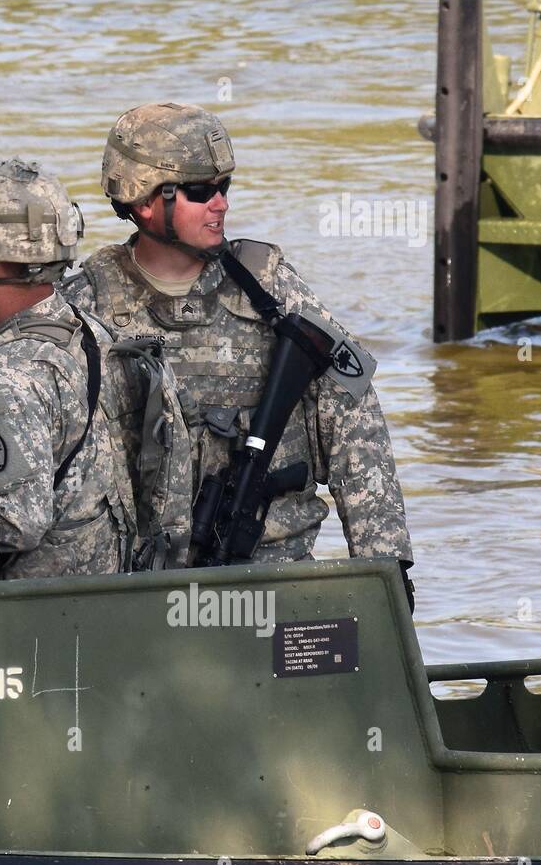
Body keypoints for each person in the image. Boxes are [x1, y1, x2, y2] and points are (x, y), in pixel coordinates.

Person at [62, 103, 414, 592]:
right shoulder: (86, 307)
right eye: (200, 191)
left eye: (223, 187)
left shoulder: (269, 288)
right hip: (138, 590)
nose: (220, 204)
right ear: (144, 201)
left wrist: (387, 567)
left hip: (274, 574)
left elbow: (355, 424)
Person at [0, 158, 188, 579]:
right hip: (112, 592)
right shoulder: (93, 335)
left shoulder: (5, 377)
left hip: (36, 609)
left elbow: (11, 522)